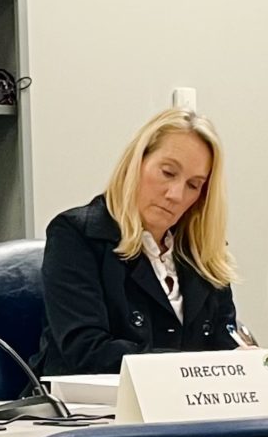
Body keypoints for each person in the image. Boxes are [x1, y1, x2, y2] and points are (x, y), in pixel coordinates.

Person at [39, 107, 242, 375]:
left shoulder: (203, 252)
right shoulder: (76, 235)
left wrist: (245, 362)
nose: (176, 194)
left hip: (188, 407)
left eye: (194, 185)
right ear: (137, 162)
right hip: (96, 410)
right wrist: (192, 367)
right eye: (168, 172)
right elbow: (86, 352)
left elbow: (224, 343)